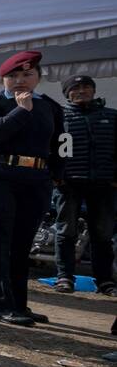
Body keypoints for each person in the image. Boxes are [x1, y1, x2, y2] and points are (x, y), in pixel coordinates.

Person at [0, 51, 65, 326]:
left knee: (22, 245)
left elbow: (62, 140)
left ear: (38, 77)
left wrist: (60, 172)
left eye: (27, 75)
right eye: (13, 76)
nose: (20, 81)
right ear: (3, 79)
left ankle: (20, 304)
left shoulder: (49, 106)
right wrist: (21, 111)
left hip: (35, 179)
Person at [53, 75, 116, 295]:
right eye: (76, 88)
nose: (82, 91)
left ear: (94, 90)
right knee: (66, 232)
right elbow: (53, 150)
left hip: (104, 184)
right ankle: (64, 278)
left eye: (87, 87)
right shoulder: (59, 117)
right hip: (69, 185)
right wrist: (57, 176)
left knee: (103, 235)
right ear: (67, 93)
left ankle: (105, 281)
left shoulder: (111, 116)